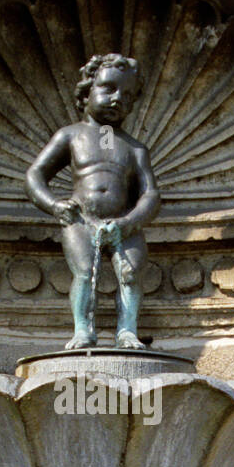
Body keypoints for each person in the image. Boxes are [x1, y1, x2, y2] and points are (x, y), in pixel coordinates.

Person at [25, 53, 160, 350]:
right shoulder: (70, 136)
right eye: (108, 88)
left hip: (125, 222)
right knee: (85, 272)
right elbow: (35, 175)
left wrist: (128, 223)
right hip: (80, 219)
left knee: (131, 272)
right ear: (87, 92)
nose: (117, 99)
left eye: (127, 95)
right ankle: (83, 329)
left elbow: (151, 194)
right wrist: (54, 205)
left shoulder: (136, 149)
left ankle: (127, 330)